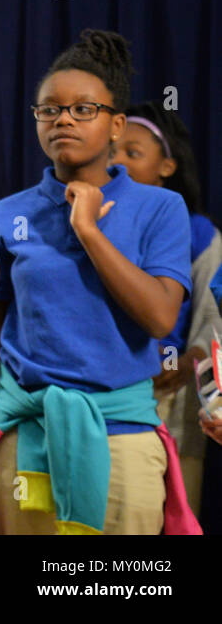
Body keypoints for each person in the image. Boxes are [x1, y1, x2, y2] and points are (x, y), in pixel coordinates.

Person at [0, 29, 199, 535]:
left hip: (122, 439)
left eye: (83, 109)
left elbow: (159, 316)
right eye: (49, 110)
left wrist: (87, 230)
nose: (63, 118)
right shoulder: (5, 215)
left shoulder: (160, 208)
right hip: (25, 438)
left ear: (115, 125)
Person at [110, 101, 222, 517]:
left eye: (133, 153)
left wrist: (191, 358)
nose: (118, 161)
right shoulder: (94, 224)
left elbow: (212, 322)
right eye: (112, 152)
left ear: (167, 167)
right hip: (106, 397)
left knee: (173, 511)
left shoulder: (199, 234)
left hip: (173, 401)